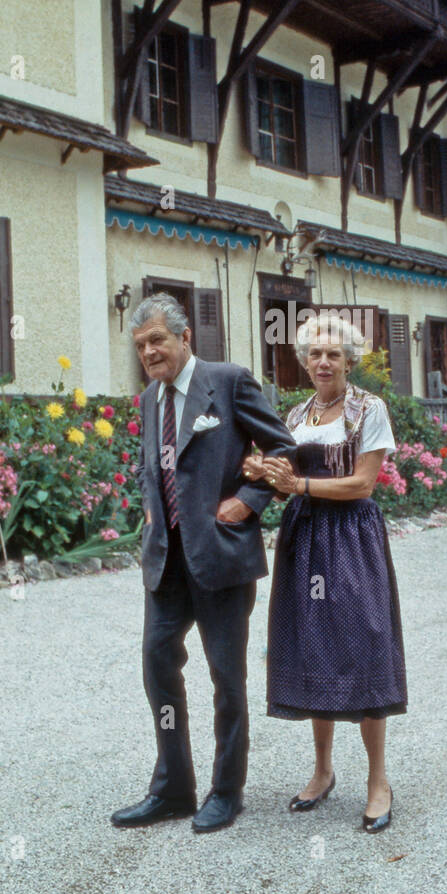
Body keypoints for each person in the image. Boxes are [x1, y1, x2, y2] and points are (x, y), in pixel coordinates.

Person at [111, 293, 297, 834]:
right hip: (165, 562)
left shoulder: (229, 380)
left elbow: (283, 449)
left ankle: (227, 790)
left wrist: (248, 501)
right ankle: (172, 788)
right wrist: (150, 508)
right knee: (157, 667)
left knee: (226, 677)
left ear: (184, 338)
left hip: (220, 557)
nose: (148, 352)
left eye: (157, 341)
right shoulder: (150, 399)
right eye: (141, 344)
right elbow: (152, 467)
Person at [243, 314, 407, 833]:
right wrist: (261, 474)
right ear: (304, 360)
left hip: (352, 537)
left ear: (349, 360)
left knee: (364, 641)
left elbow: (363, 484)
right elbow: (282, 478)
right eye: (314, 354)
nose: (323, 362)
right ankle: (321, 771)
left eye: (333, 354)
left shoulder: (369, 409)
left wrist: (301, 487)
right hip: (305, 538)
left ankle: (378, 780)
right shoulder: (294, 415)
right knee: (313, 642)